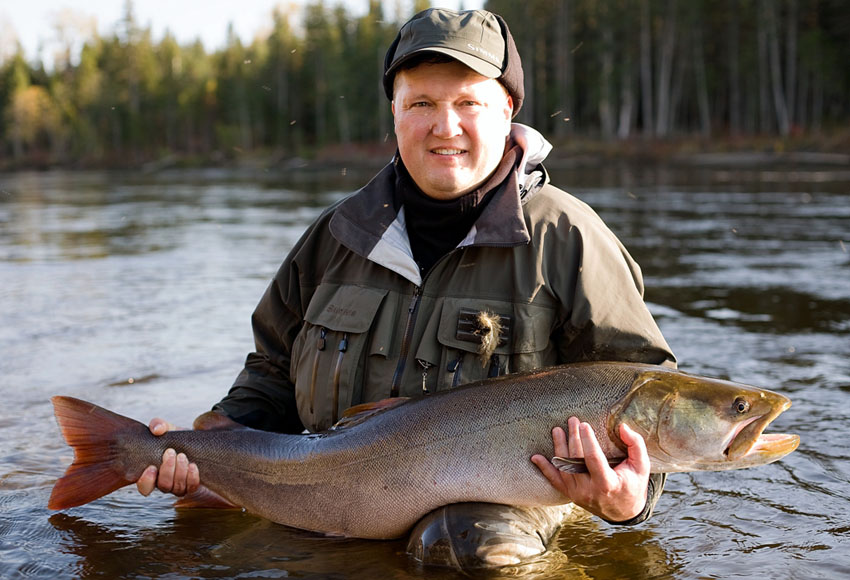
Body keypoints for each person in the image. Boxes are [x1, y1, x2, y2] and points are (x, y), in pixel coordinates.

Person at [136, 7, 675, 568]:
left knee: (464, 550)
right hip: (327, 494)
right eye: (422, 104)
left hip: (496, 512)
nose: (446, 127)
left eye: (469, 102)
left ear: (507, 109)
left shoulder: (569, 239)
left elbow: (645, 399)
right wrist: (203, 452)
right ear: (394, 111)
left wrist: (629, 499)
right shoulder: (336, 234)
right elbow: (272, 373)